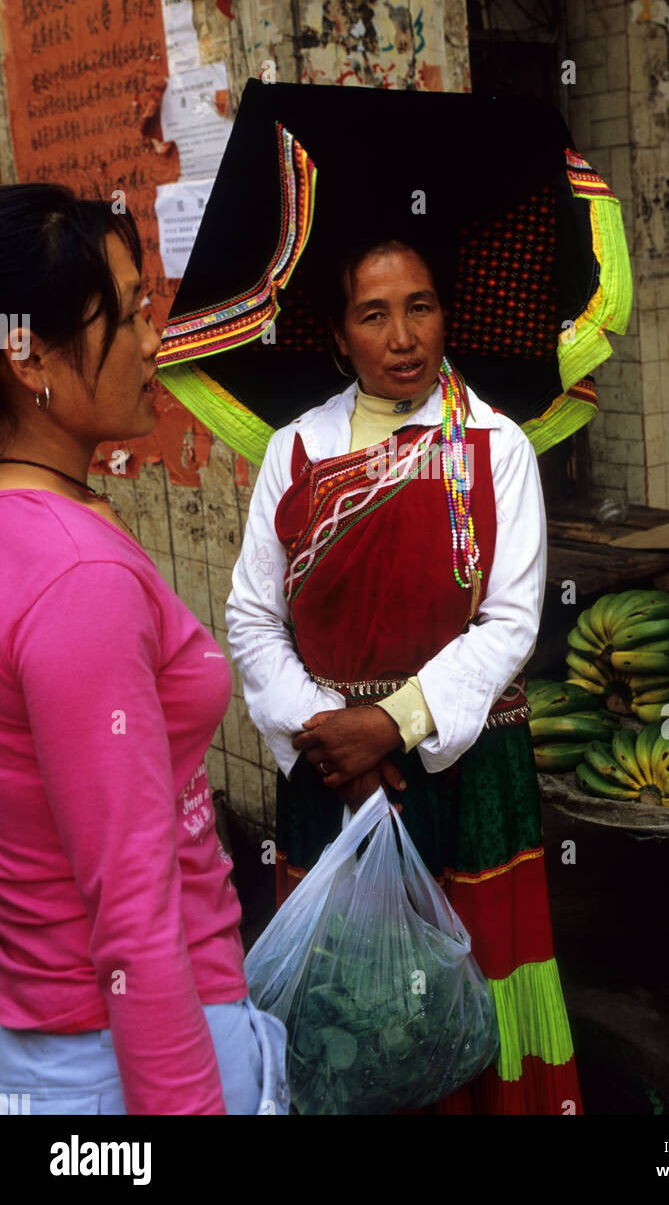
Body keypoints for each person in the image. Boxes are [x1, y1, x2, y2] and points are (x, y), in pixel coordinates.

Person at [227, 235, 583, 1114]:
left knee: (470, 990)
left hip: (461, 774)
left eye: (419, 307)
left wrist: (387, 727)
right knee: (353, 1007)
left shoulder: (494, 444)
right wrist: (328, 736)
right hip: (330, 773)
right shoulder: (295, 451)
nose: (401, 337)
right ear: (338, 334)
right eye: (372, 314)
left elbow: (508, 622)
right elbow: (252, 616)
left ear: (445, 313)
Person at [0, 183, 287, 1115]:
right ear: (29, 353)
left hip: (51, 1039)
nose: (153, 340)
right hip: (129, 1056)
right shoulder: (76, 576)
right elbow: (131, 909)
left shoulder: (33, 531)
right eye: (127, 315)